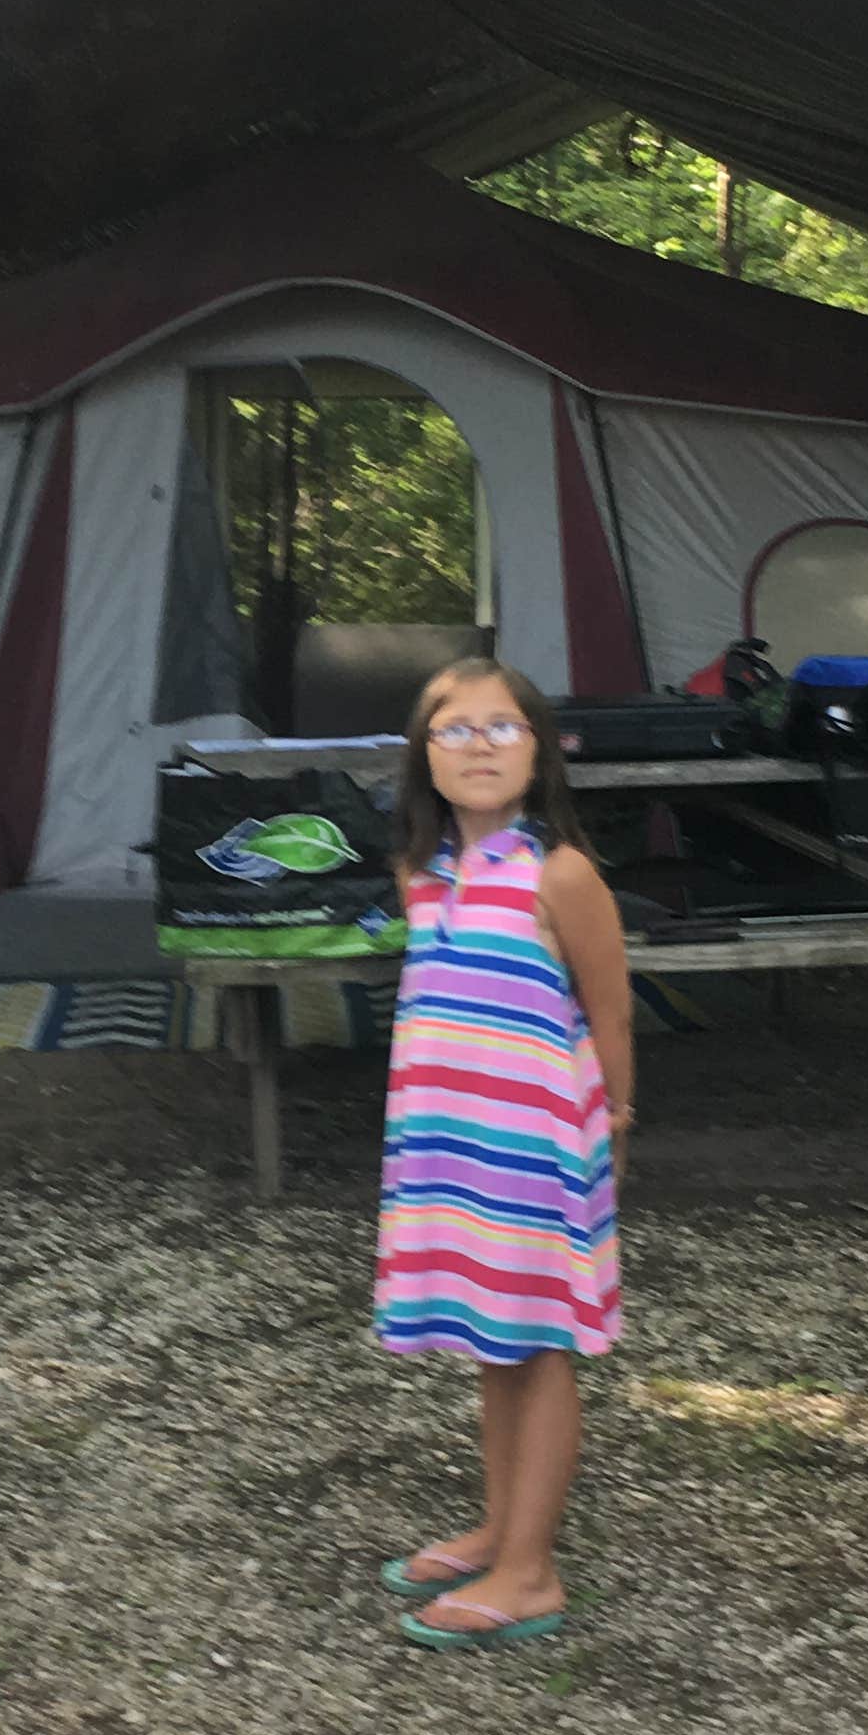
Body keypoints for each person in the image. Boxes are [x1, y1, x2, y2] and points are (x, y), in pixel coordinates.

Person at [372, 658, 631, 1647]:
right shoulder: (422, 875)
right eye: (454, 730)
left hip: (537, 1152)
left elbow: (609, 1015)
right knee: (491, 1343)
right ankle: (498, 1526)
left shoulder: (559, 873)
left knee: (539, 1345)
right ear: (423, 757)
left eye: (501, 728)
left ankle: (532, 1570)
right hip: (449, 1149)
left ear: (539, 750)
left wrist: (615, 1127)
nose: (478, 747)